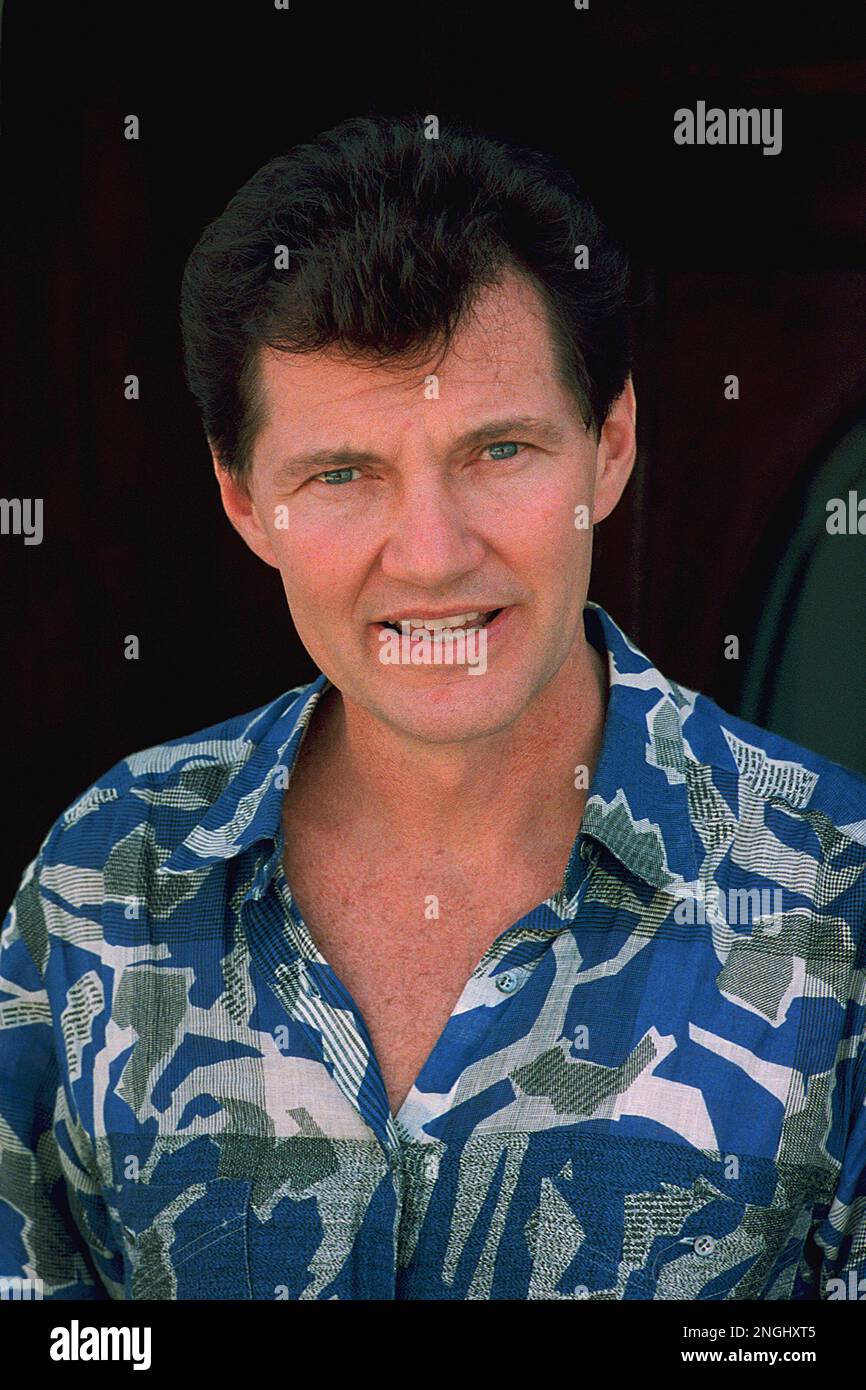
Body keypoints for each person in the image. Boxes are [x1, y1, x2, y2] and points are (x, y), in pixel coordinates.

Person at [2, 113, 864, 1303]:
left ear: (608, 448)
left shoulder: (834, 893)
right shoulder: (107, 875)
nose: (430, 556)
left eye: (498, 451)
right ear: (246, 500)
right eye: (342, 474)